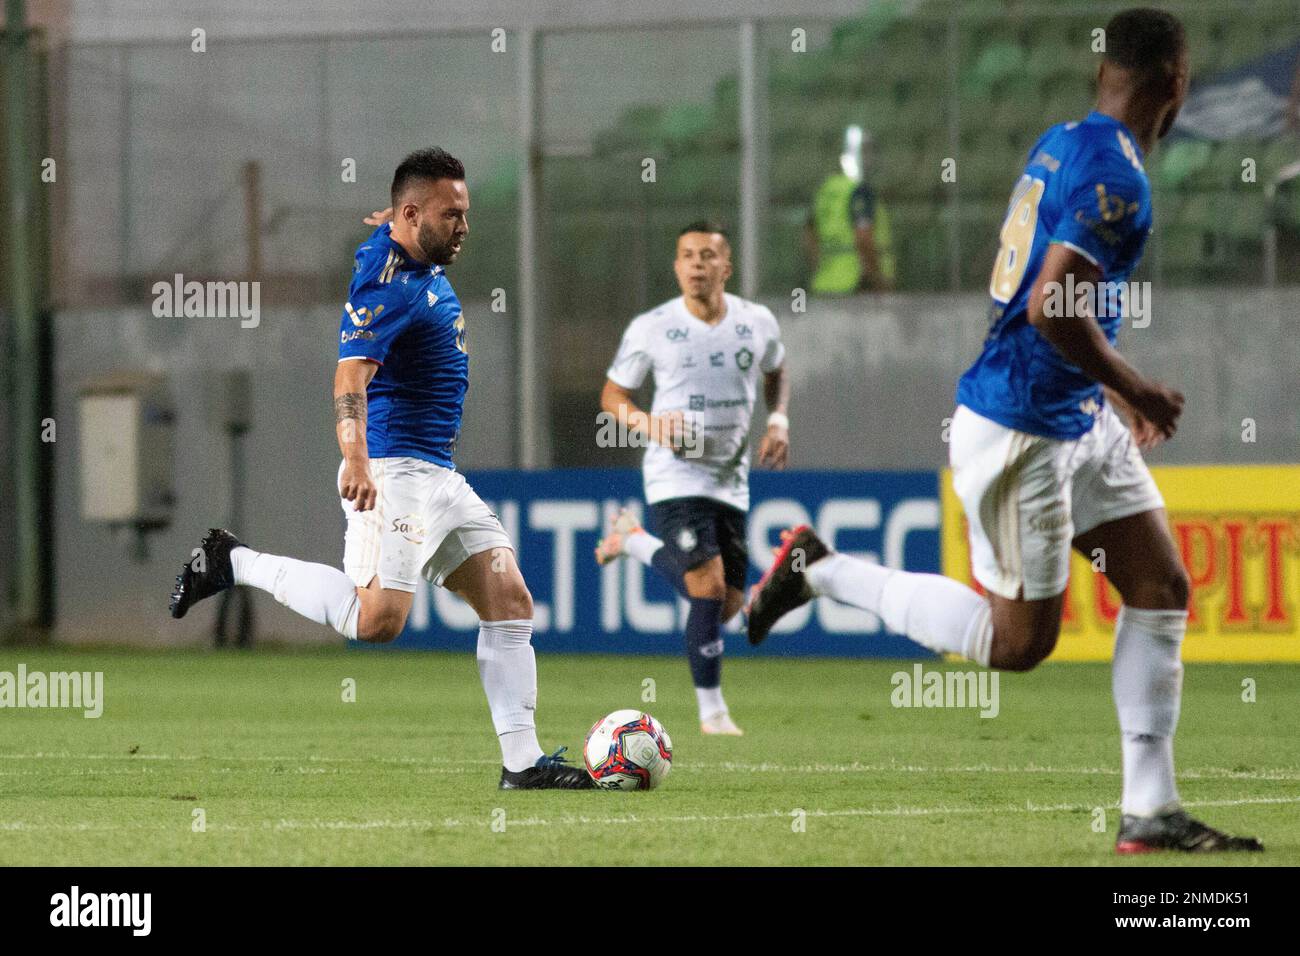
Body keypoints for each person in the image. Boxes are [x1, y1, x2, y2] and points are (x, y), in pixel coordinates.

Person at [746, 8, 1262, 853]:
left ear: (1105, 71)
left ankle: (1151, 811)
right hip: (1024, 427)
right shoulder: (1117, 179)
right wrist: (1140, 387)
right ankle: (822, 570)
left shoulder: (1063, 141)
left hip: (1072, 413)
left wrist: (1110, 394)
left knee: (1163, 588)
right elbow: (1048, 302)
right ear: (1176, 80)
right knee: (1017, 643)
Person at [169, 147, 593, 790]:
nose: (464, 225)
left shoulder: (402, 250)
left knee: (509, 600)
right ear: (415, 213)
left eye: (465, 212)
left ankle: (523, 765)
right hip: (393, 470)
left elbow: (387, 236)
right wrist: (356, 459)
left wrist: (392, 223)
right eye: (451, 214)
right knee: (378, 622)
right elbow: (349, 375)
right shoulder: (391, 285)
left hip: (438, 473)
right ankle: (232, 561)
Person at [595, 221, 789, 736]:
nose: (697, 264)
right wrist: (650, 425)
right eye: (687, 255)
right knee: (706, 586)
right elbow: (613, 397)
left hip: (730, 479)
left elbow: (776, 369)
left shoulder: (757, 321)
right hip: (673, 476)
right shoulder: (652, 326)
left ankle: (633, 541)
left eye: (707, 255)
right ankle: (713, 714)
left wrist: (778, 420)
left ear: (727, 267)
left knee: (727, 605)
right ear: (677, 267)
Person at [806, 126, 896, 294]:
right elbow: (864, 238)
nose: (871, 158)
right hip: (856, 285)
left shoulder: (826, 189)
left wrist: (822, 266)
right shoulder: (860, 191)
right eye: (866, 152)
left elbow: (809, 234)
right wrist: (876, 280)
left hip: (825, 284)